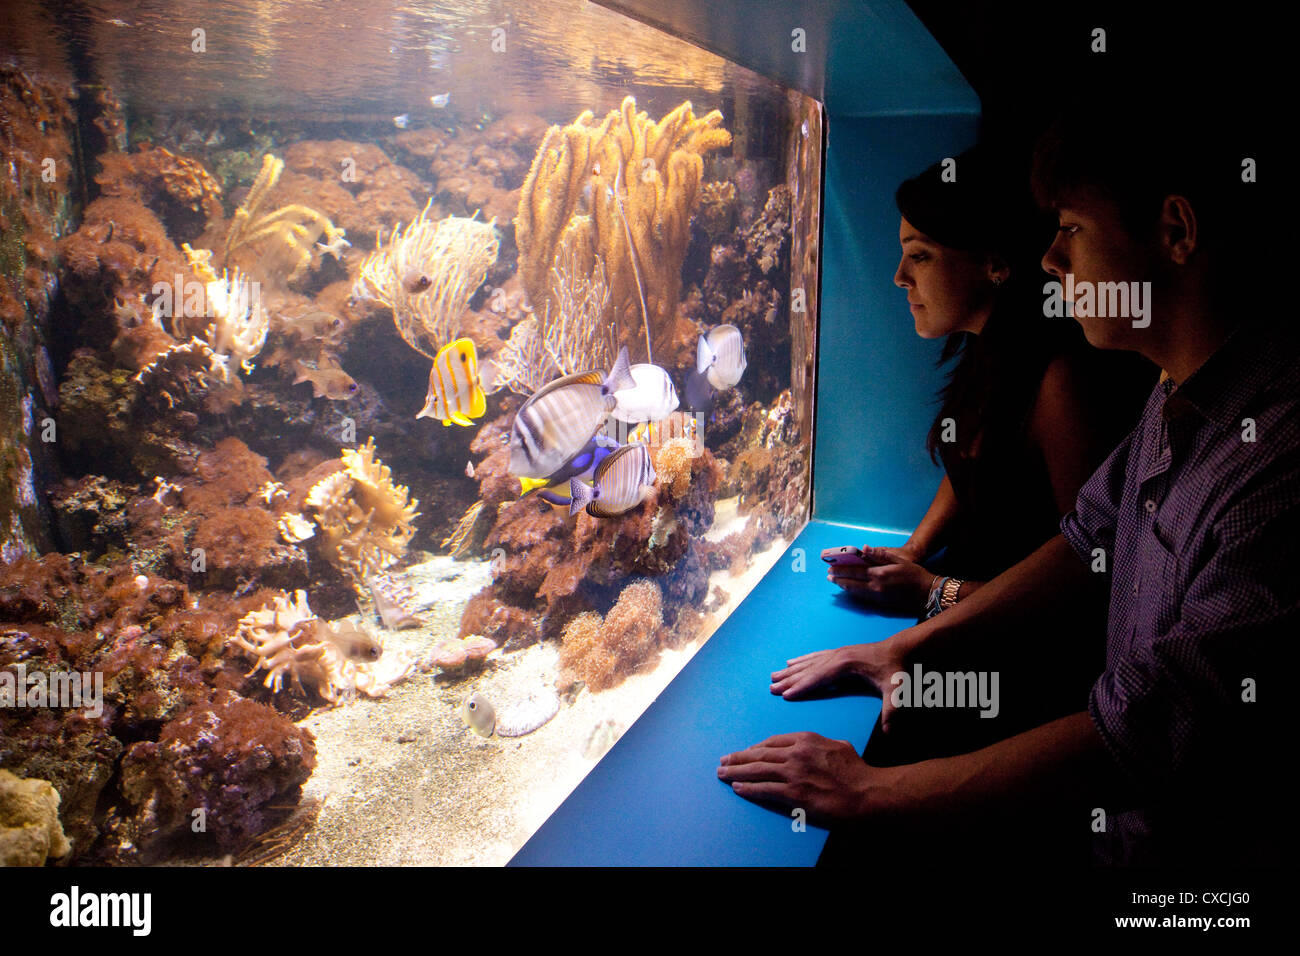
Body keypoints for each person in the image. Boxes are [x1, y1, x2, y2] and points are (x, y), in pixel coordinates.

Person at [719, 95, 1288, 867]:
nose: (1052, 260)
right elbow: (1088, 542)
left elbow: (1149, 729)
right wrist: (906, 652)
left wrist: (867, 793)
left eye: (1073, 229)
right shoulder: (1172, 392)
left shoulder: (1273, 469)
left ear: (1176, 233)